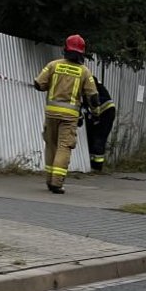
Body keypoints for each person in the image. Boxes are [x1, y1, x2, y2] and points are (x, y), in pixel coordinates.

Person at [33, 35, 98, 194]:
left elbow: (38, 84)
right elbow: (93, 97)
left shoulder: (53, 65)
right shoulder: (85, 72)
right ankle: (57, 182)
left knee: (51, 146)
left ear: (66, 49)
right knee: (64, 147)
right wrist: (95, 113)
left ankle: (49, 180)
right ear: (81, 53)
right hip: (69, 117)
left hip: (51, 113)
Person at [83, 76, 116, 172]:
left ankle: (97, 166)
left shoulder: (90, 83)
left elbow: (91, 101)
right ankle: (93, 163)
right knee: (93, 136)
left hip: (105, 112)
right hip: (103, 111)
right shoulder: (93, 82)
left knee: (99, 138)